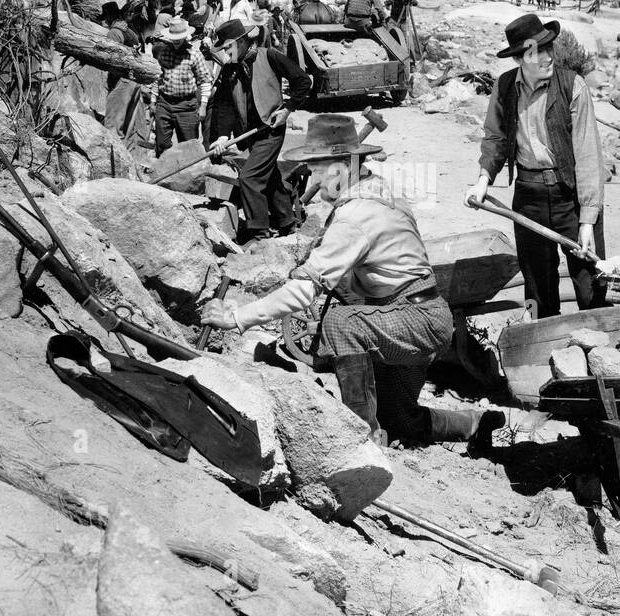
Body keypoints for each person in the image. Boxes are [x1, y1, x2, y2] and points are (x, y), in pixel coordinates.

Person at [200, 114, 504, 448]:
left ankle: (361, 438)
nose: (314, 177)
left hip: (416, 320)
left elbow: (305, 290)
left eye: (319, 167)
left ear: (344, 165)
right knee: (401, 420)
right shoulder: (376, 190)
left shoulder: (356, 214)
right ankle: (475, 423)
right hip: (409, 318)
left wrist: (237, 318)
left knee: (341, 324)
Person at [466, 13, 607, 317]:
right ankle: (546, 346)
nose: (546, 58)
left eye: (548, 48)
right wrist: (482, 181)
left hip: (570, 194)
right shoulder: (505, 87)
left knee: (590, 280)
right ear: (519, 59)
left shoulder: (573, 86)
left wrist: (587, 221)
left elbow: (588, 157)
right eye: (535, 52)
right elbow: (496, 138)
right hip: (528, 196)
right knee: (537, 286)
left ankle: (599, 347)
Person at [203, 17, 312, 241]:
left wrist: (288, 109)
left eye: (228, 47)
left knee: (250, 178)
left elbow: (303, 81)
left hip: (271, 130)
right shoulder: (229, 69)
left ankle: (259, 231)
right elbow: (224, 105)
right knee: (269, 176)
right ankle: (287, 223)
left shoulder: (269, 56)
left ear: (242, 42)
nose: (226, 52)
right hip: (249, 134)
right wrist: (222, 136)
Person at [149, 17, 212, 156]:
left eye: (179, 37)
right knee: (162, 145)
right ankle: (165, 173)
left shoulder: (194, 54)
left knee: (189, 147)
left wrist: (203, 106)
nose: (176, 41)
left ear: (185, 36)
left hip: (187, 106)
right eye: (174, 37)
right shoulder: (163, 53)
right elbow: (157, 77)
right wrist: (153, 100)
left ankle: (190, 175)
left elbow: (205, 80)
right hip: (164, 103)